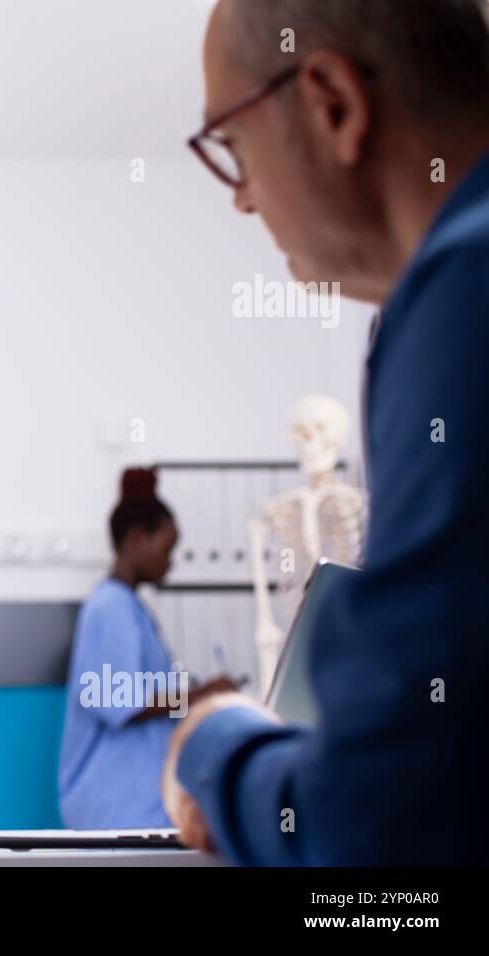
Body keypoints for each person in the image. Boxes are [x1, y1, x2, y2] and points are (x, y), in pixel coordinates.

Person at [163, 0, 489, 864]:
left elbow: (382, 829)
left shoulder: (466, 291)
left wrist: (213, 742)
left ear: (332, 102)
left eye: (232, 144)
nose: (239, 198)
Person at [59, 469, 234, 828]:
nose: (170, 562)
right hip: (115, 809)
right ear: (136, 540)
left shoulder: (130, 609)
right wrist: (201, 696)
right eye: (167, 550)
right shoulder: (110, 606)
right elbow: (116, 700)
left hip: (137, 806)